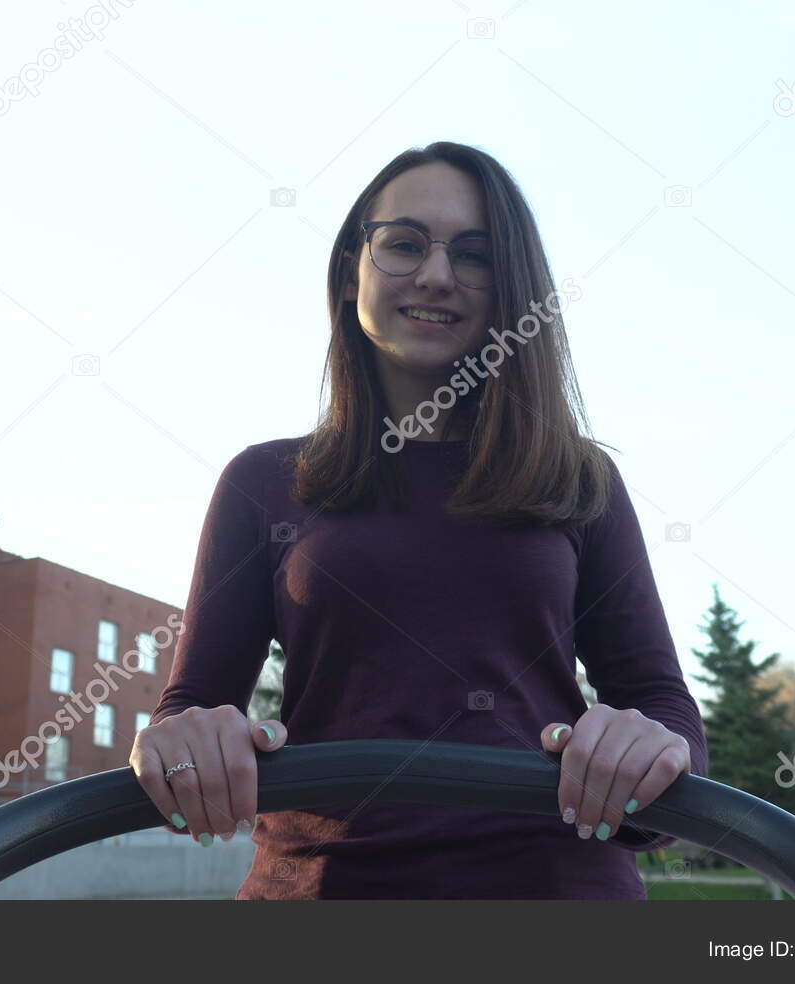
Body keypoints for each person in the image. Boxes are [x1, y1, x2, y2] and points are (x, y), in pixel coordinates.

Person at [131, 140, 708, 899]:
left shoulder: (579, 479)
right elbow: (192, 709)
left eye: (475, 254)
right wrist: (183, 746)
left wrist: (644, 752)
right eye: (404, 244)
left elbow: (662, 704)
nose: (437, 274)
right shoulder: (262, 483)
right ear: (350, 273)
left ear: (512, 292)